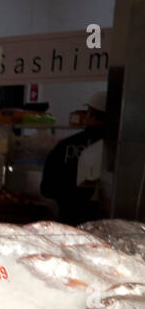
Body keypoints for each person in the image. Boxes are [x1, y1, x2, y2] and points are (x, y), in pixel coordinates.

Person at [41, 91, 108, 225]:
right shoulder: (119, 148)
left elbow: (46, 189)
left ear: (91, 114)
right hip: (106, 222)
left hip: (68, 219)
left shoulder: (65, 146)